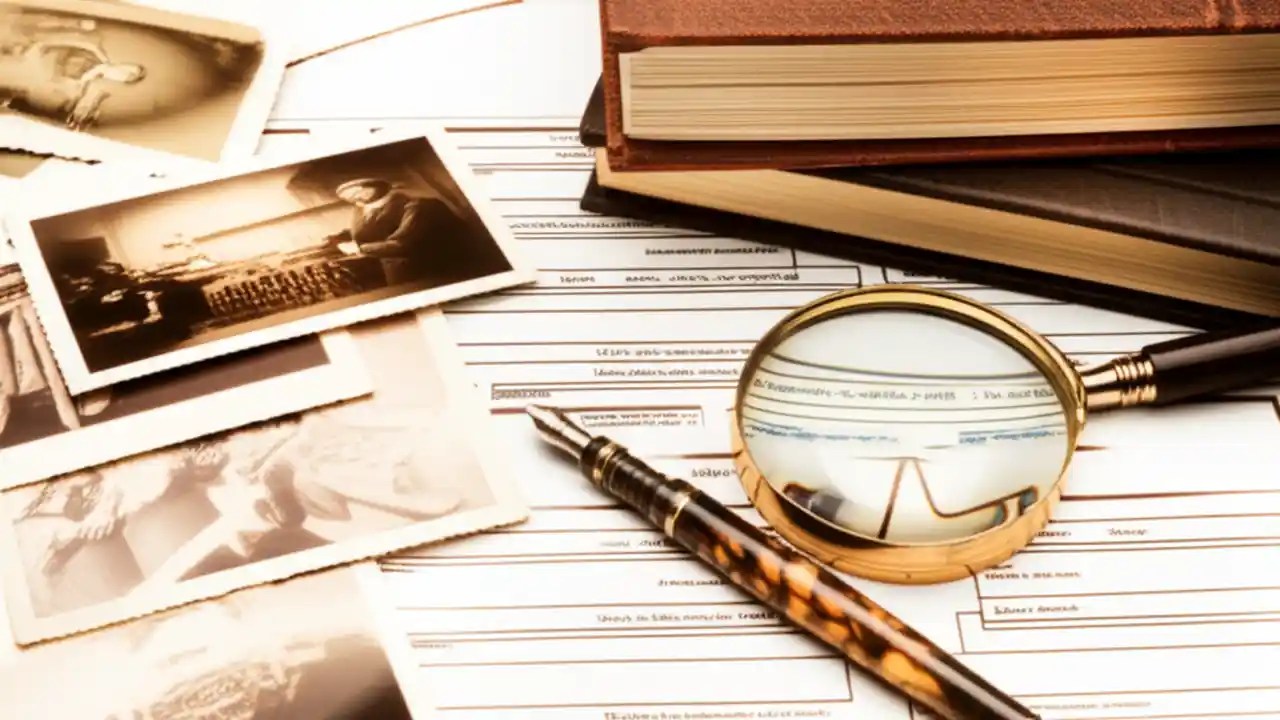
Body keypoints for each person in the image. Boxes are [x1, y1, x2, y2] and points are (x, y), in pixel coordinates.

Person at [325, 177, 475, 286]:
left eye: (360, 191)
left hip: (432, 275)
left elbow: (402, 244)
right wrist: (338, 238)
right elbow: (372, 228)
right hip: (397, 274)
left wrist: (359, 248)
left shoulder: (417, 205)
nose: (356, 197)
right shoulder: (366, 210)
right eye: (350, 197)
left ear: (378, 187)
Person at [0, 36, 146, 130]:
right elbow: (61, 44)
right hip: (23, 63)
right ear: (123, 64)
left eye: (129, 77)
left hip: (19, 88)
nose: (124, 73)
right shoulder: (92, 53)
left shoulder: (92, 94)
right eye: (129, 69)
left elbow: (57, 110)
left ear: (123, 81)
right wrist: (41, 45)